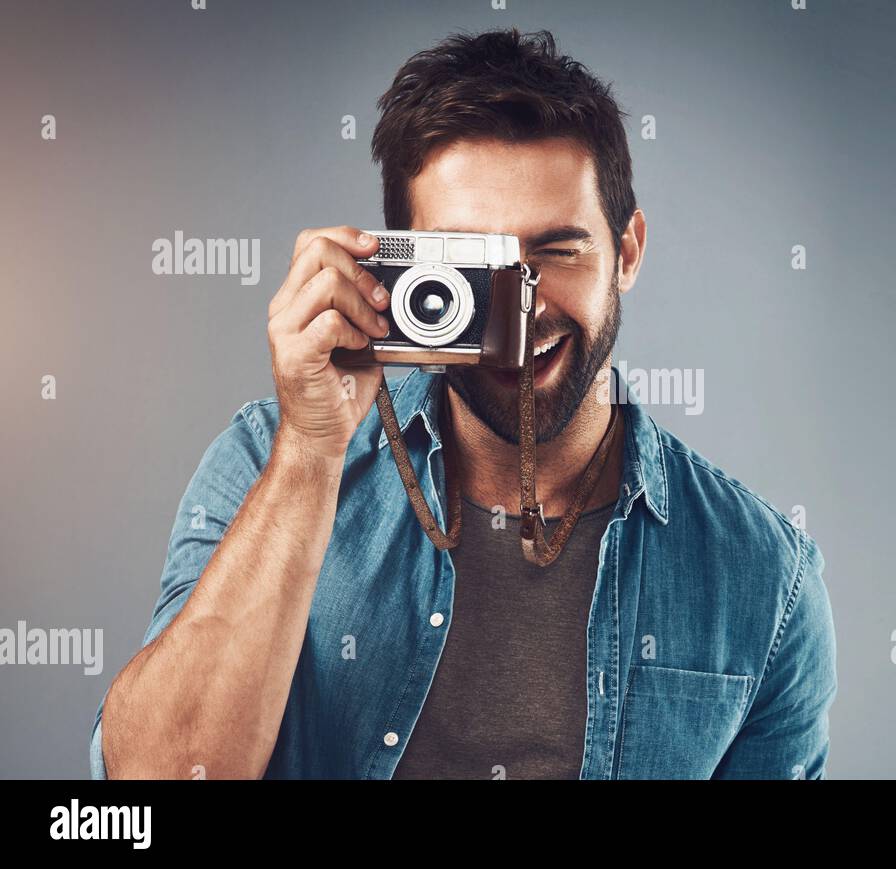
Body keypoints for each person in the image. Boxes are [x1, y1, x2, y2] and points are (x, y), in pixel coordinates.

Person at [91, 28, 836, 780]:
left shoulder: (765, 579)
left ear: (628, 251)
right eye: (472, 266)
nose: (521, 312)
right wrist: (311, 455)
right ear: (398, 264)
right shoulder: (266, 461)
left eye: (555, 252)